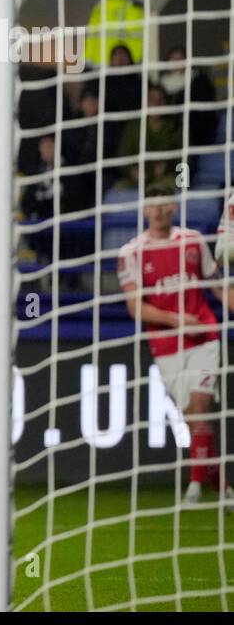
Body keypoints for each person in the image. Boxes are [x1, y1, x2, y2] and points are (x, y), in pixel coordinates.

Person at [119, 185, 234, 506]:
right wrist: (177, 320)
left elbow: (218, 287)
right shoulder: (131, 252)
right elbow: (136, 307)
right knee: (191, 419)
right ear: (144, 210)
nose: (158, 210)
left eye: (164, 203)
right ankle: (221, 486)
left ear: (174, 206)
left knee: (200, 406)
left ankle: (194, 488)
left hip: (204, 337)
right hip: (166, 345)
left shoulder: (193, 241)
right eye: (151, 204)